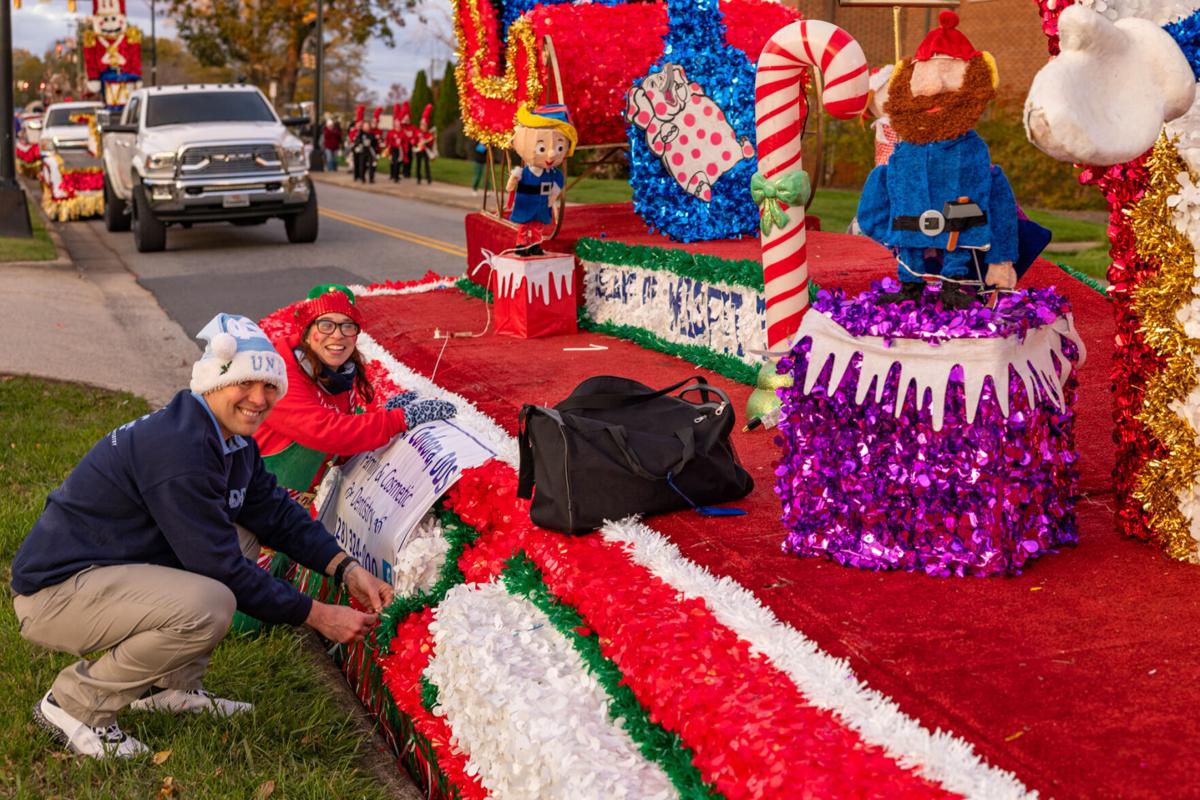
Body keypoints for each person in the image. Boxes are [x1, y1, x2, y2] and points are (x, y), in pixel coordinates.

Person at [10, 313, 395, 759]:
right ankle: (76, 705)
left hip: (105, 569)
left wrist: (343, 567)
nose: (258, 398)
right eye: (245, 384)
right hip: (55, 595)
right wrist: (316, 615)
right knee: (211, 604)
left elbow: (274, 512)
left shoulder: (225, 436)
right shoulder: (180, 450)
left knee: (241, 533)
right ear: (212, 382)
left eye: (270, 386)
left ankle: (168, 688)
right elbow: (218, 568)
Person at [255, 284, 458, 498]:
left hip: (292, 502)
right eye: (326, 325)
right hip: (255, 499)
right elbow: (327, 431)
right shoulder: (279, 375)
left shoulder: (337, 371)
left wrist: (383, 415)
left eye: (348, 326)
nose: (337, 335)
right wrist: (399, 419)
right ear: (306, 332)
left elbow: (341, 442)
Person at [506, 103, 577, 256]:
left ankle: (535, 245)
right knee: (524, 225)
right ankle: (521, 245)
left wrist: (552, 198)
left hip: (542, 204)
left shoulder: (552, 173)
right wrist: (512, 181)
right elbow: (511, 186)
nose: (551, 155)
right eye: (542, 149)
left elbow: (558, 184)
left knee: (538, 226)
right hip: (526, 203)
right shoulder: (523, 173)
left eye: (559, 148)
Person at [386, 102, 410, 183]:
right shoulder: (391, 132)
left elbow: (405, 142)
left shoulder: (402, 133)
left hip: (400, 150)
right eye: (396, 125)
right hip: (393, 149)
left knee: (398, 163)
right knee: (394, 162)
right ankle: (394, 176)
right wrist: (389, 147)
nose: (397, 126)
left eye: (398, 125)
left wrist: (404, 149)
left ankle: (396, 176)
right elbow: (388, 140)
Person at [412, 104, 436, 185]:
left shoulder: (429, 134)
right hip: (419, 150)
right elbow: (414, 140)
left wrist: (428, 141)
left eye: (424, 125)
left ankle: (429, 179)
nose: (423, 126)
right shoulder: (417, 132)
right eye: (422, 125)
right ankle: (418, 178)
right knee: (418, 164)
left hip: (426, 150)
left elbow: (431, 142)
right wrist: (415, 144)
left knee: (426, 165)